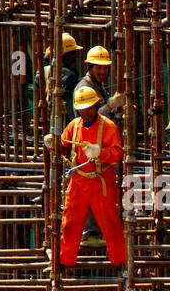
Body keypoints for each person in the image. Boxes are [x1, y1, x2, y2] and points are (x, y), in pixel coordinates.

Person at [42, 86, 126, 269]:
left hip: (100, 180)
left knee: (110, 223)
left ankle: (120, 261)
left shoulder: (108, 126)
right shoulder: (74, 125)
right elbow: (64, 148)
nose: (86, 112)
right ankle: (65, 260)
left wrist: (101, 153)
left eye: (89, 107)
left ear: (96, 106)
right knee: (70, 222)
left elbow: (118, 154)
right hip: (79, 181)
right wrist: (53, 145)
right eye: (82, 108)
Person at [73, 46, 127, 247]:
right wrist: (111, 106)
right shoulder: (83, 87)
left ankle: (96, 230)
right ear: (89, 66)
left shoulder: (97, 86)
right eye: (99, 68)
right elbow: (86, 117)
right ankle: (89, 233)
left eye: (105, 68)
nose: (103, 72)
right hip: (88, 147)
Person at [42, 33, 82, 124]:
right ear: (69, 55)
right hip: (64, 121)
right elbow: (71, 107)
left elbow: (38, 77)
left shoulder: (47, 70)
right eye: (73, 54)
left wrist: (45, 59)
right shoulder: (69, 77)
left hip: (50, 118)